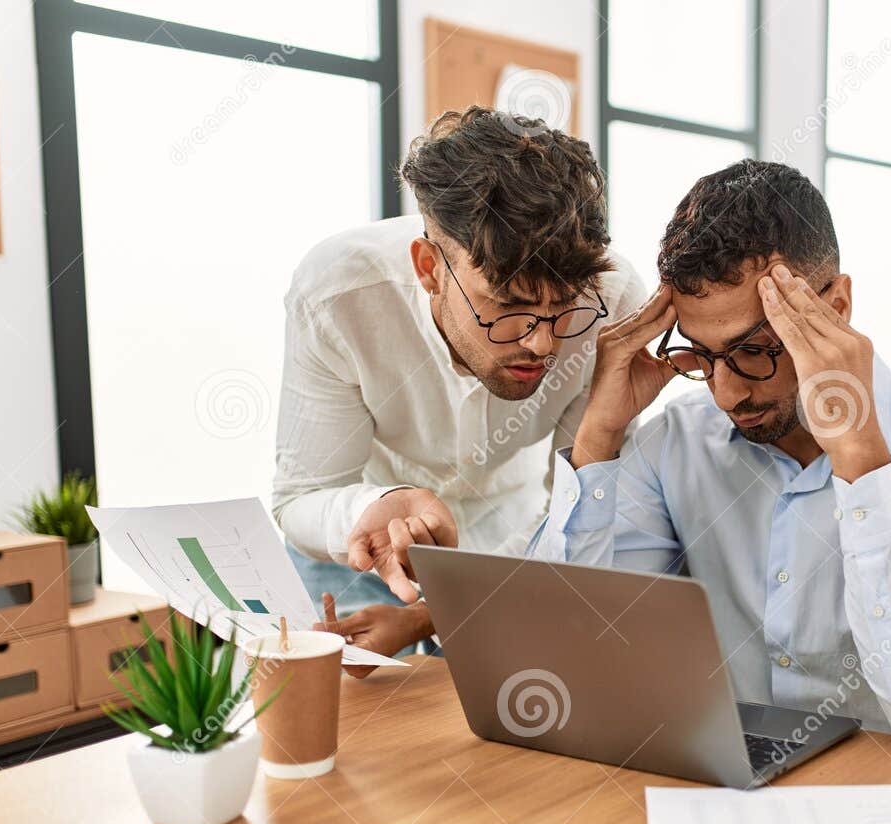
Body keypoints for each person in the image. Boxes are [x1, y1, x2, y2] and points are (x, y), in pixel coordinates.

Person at [527, 160, 891, 748]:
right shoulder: (675, 444)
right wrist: (598, 438)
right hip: (728, 792)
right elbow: (568, 655)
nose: (727, 393)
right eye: (702, 354)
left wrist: (859, 457)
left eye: (756, 350)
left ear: (836, 306)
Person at [272, 106, 647, 669]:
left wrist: (440, 612)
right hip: (360, 546)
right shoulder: (338, 295)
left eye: (562, 307)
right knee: (348, 737)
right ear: (429, 270)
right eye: (509, 308)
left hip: (515, 541)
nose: (543, 345)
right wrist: (381, 505)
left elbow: (577, 517)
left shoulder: (612, 305)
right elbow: (302, 498)